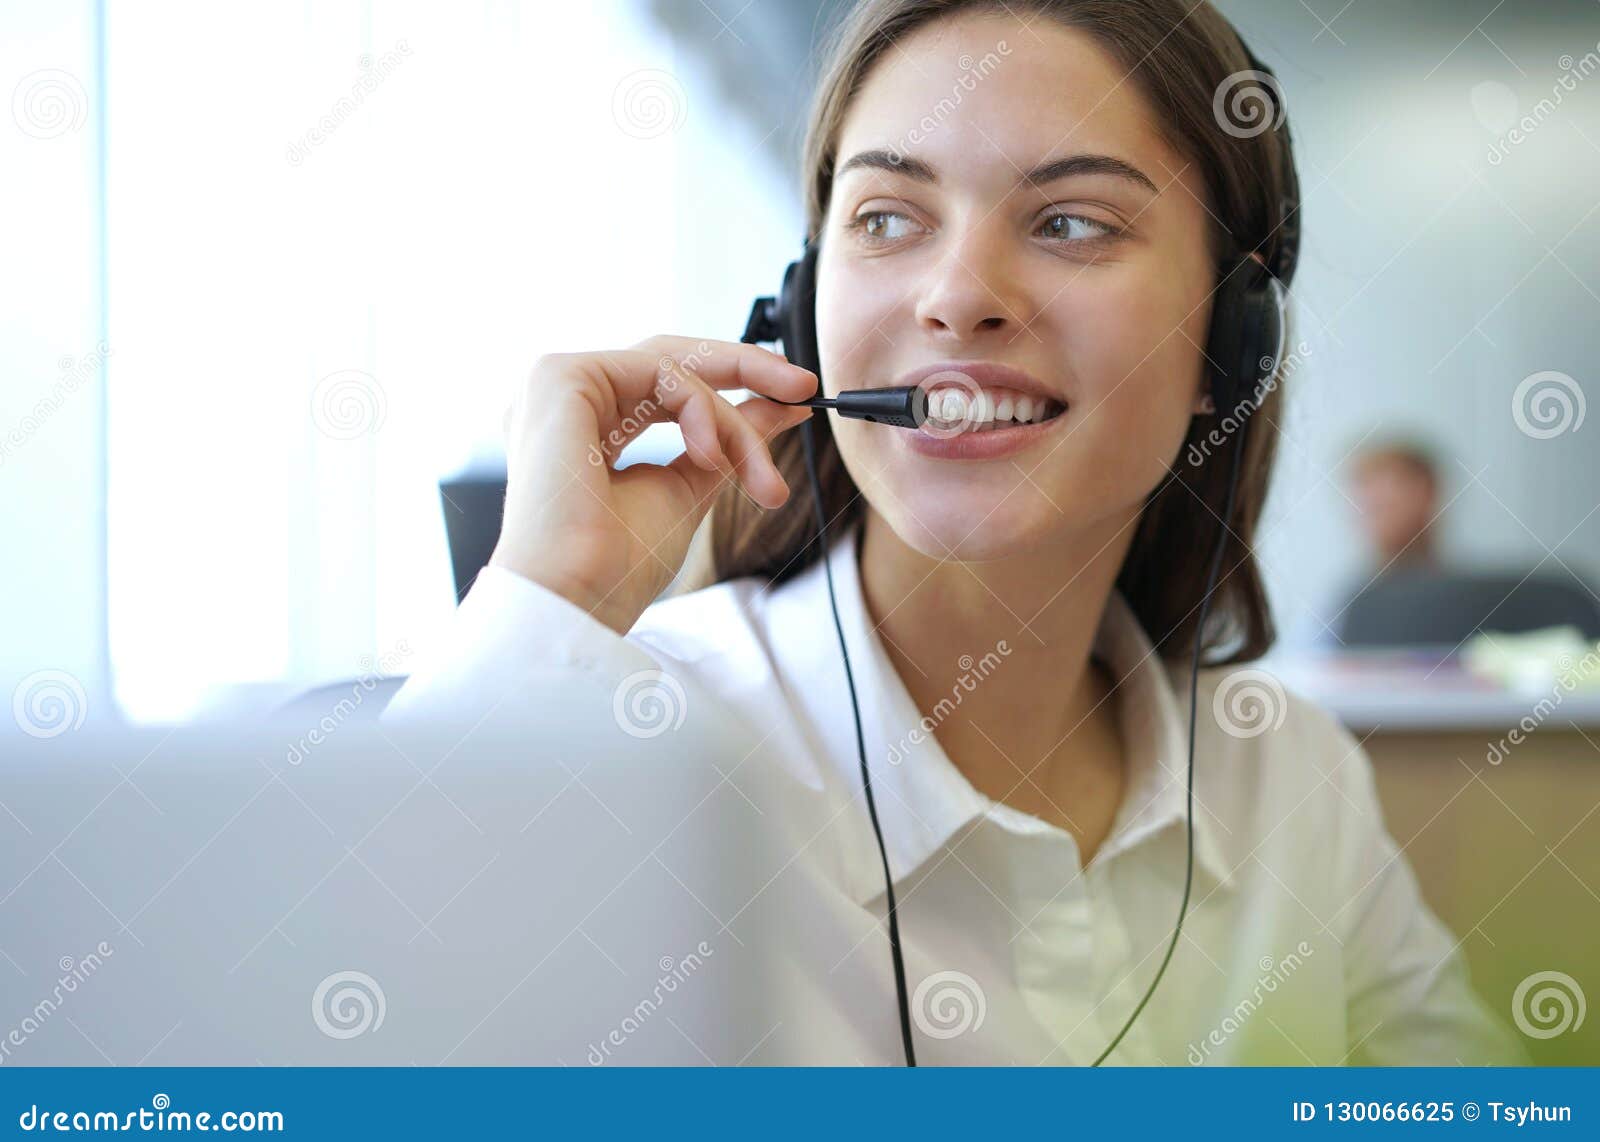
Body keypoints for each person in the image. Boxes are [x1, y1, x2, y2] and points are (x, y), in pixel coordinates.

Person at [384, 0, 1526, 1065]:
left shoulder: (1285, 778)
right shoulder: (635, 742)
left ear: (1230, 343)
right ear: (802, 307)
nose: (955, 293)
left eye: (1070, 222)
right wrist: (550, 596)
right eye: (887, 218)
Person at [1349, 440, 1443, 575]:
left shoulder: (1471, 589)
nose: (1369, 499)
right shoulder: (1359, 592)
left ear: (1426, 492)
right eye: (1363, 483)